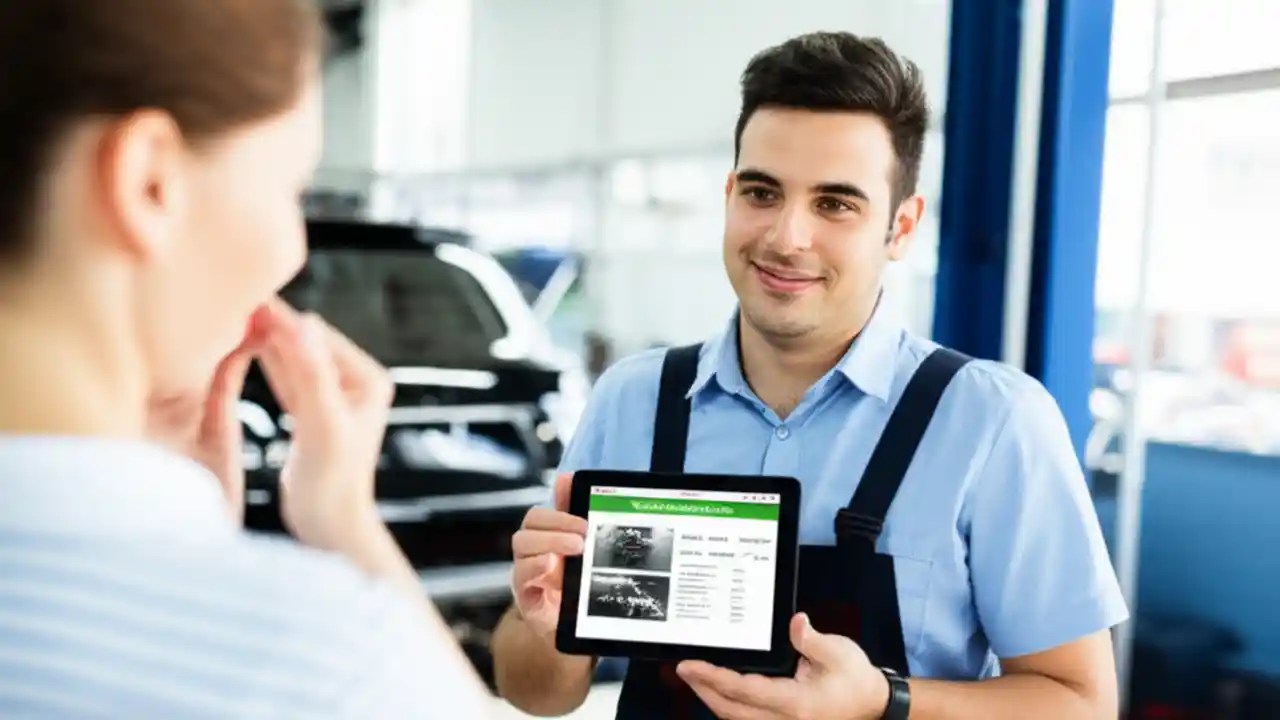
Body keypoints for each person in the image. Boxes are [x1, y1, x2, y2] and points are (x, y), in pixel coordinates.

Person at [491, 31, 1128, 720]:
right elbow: (538, 694)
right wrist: (543, 624)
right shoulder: (634, 399)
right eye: (763, 193)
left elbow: (1080, 704)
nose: (786, 237)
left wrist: (888, 703)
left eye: (835, 204)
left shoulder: (993, 422)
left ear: (901, 228)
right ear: (731, 194)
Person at [0, 2, 490, 717]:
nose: (292, 252)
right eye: (292, 187)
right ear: (149, 183)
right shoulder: (329, 659)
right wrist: (343, 524)